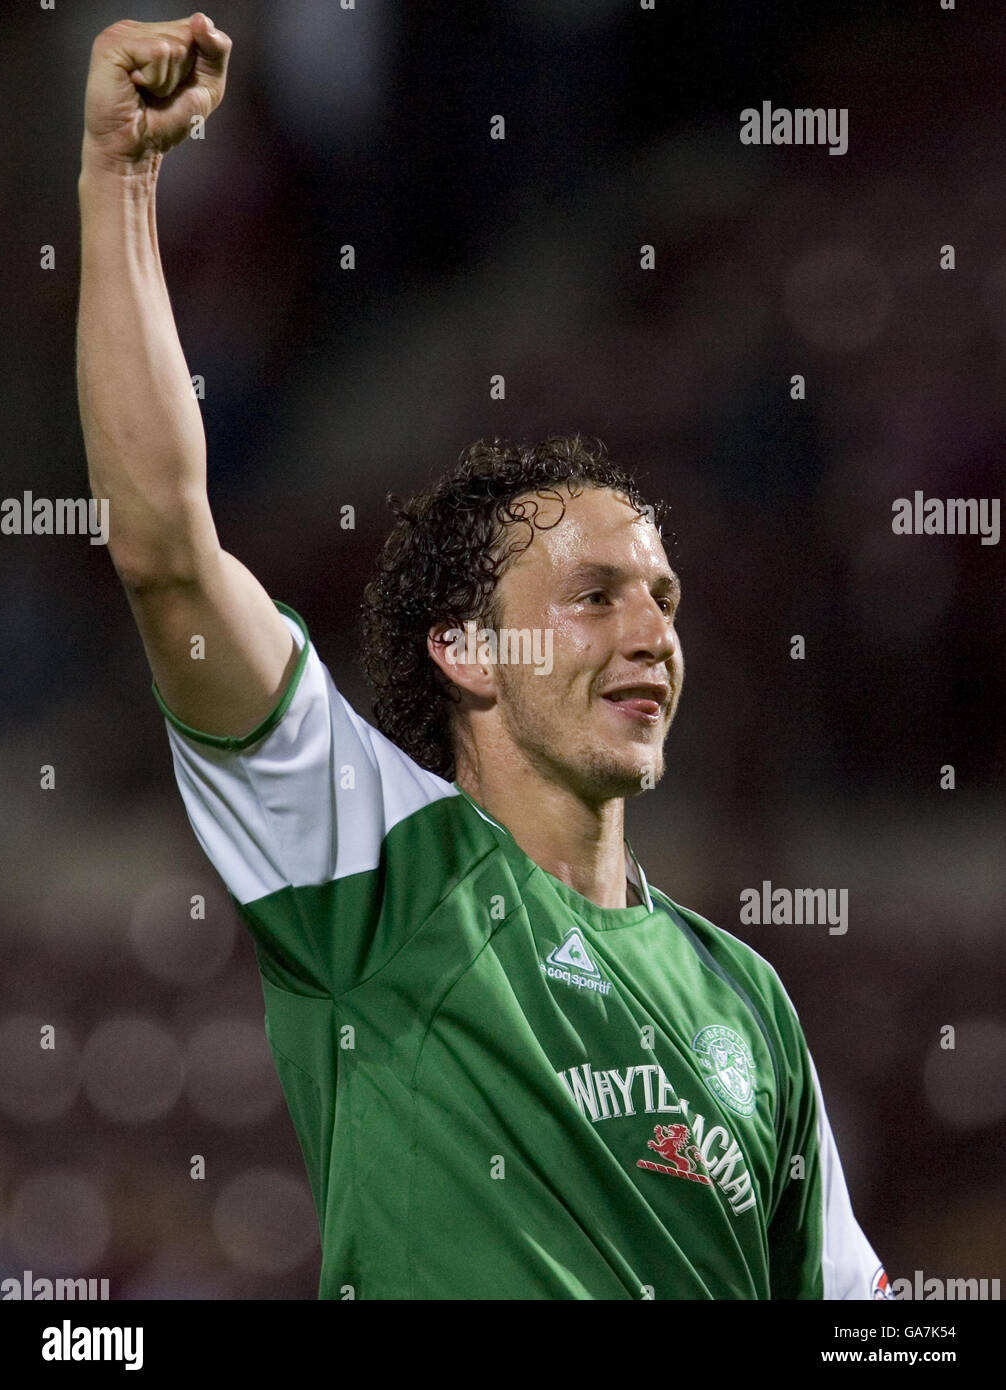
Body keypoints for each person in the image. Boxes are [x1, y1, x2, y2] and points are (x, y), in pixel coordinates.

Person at [78, 13, 890, 1300]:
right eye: (595, 595)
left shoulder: (749, 1001)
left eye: (665, 597)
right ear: (463, 649)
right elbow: (168, 551)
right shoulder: (380, 867)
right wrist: (120, 178)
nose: (654, 632)